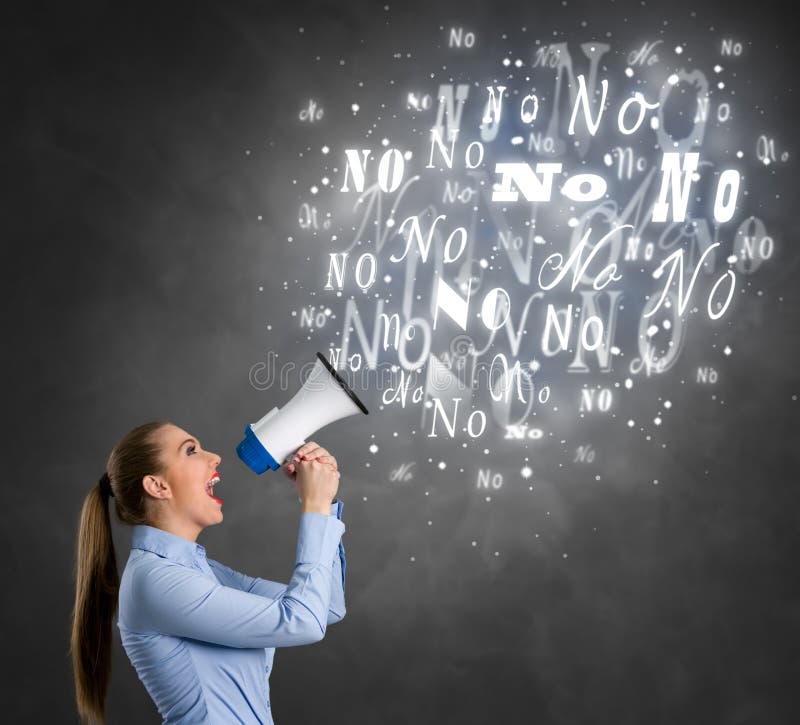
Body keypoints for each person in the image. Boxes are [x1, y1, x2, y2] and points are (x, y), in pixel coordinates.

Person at [70, 420, 346, 724]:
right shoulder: (155, 581)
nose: (215, 457)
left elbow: (327, 607)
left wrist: (325, 504)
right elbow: (304, 621)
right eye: (191, 451)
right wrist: (315, 506)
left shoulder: (203, 573)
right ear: (158, 486)